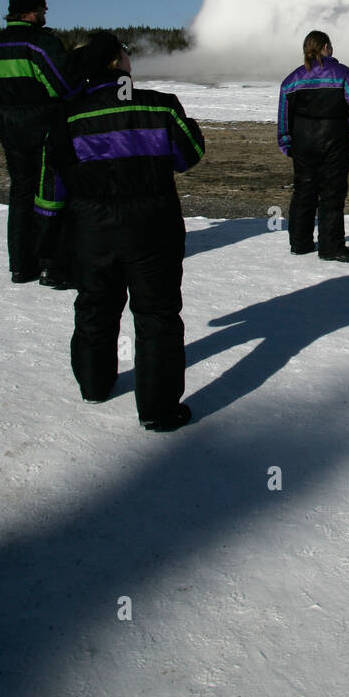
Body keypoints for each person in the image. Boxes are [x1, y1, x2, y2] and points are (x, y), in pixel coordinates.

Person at [35, 31, 204, 431]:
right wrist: (191, 126)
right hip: (153, 230)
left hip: (91, 232)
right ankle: (158, 411)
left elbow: (50, 190)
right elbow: (188, 156)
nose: (131, 58)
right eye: (126, 53)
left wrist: (46, 243)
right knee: (157, 316)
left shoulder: (66, 118)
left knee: (95, 306)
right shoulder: (160, 106)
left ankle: (94, 385)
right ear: (116, 63)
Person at [0, 0, 75, 286]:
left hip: (7, 119)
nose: (46, 10)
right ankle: (50, 264)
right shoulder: (40, 44)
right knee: (50, 188)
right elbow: (63, 85)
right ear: (31, 9)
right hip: (42, 119)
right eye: (43, 5)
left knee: (20, 189)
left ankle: (20, 265)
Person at [277, 31, 349, 263]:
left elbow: (283, 115)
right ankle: (331, 247)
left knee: (303, 192)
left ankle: (300, 243)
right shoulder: (344, 75)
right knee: (332, 194)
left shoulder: (293, 79)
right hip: (335, 142)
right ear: (327, 47)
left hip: (303, 142)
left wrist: (286, 141)